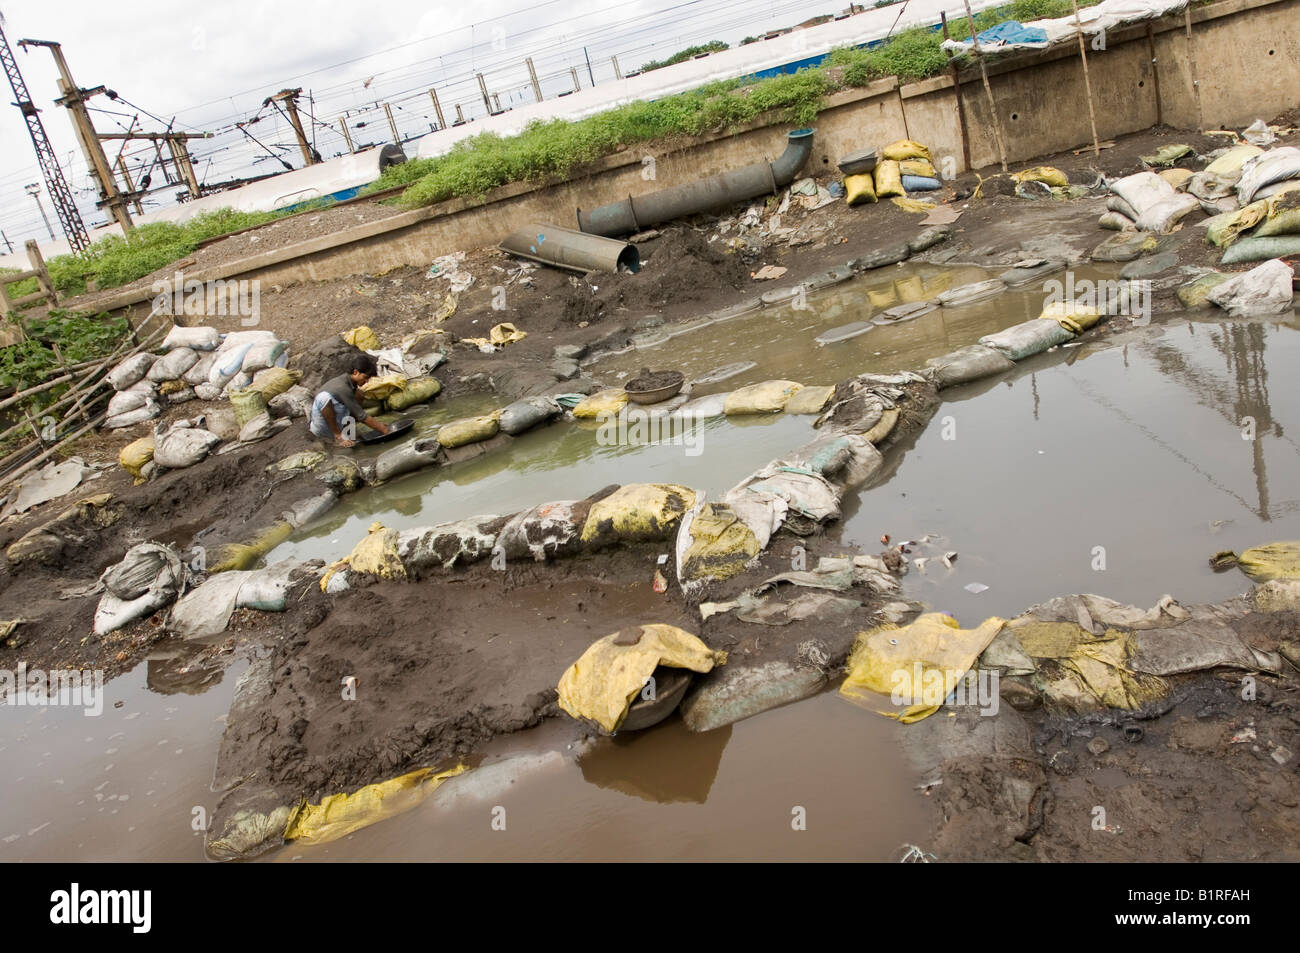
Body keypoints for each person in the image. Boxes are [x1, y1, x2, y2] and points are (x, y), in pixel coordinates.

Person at [308, 355, 391, 447]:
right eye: (365, 377)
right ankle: (338, 436)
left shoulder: (350, 383)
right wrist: (382, 428)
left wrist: (377, 425)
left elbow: (356, 409)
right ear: (356, 372)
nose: (367, 381)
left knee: (360, 394)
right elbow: (361, 416)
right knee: (324, 398)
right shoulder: (342, 387)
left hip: (338, 419)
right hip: (323, 428)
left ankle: (347, 430)